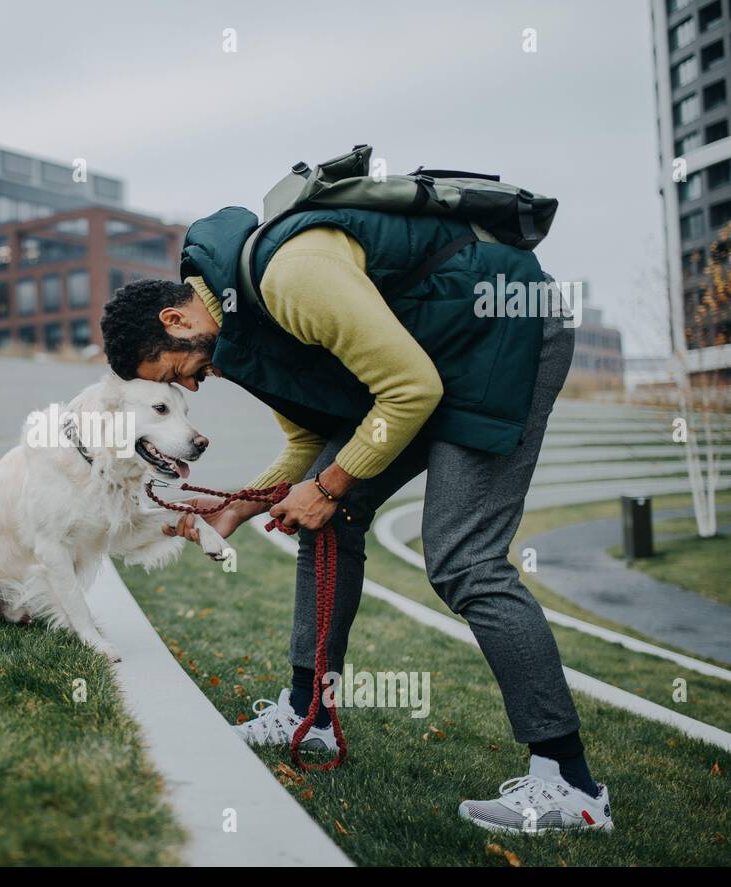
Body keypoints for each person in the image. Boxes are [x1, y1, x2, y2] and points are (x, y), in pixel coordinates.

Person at [98, 203, 612, 835]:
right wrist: (238, 504)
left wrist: (333, 484)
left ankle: (571, 785)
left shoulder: (293, 279)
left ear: (175, 319)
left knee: (463, 560)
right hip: (437, 357)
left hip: (503, 331)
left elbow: (410, 391)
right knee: (327, 519)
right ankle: (308, 712)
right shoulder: (242, 327)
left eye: (176, 371)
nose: (193, 387)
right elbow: (303, 449)